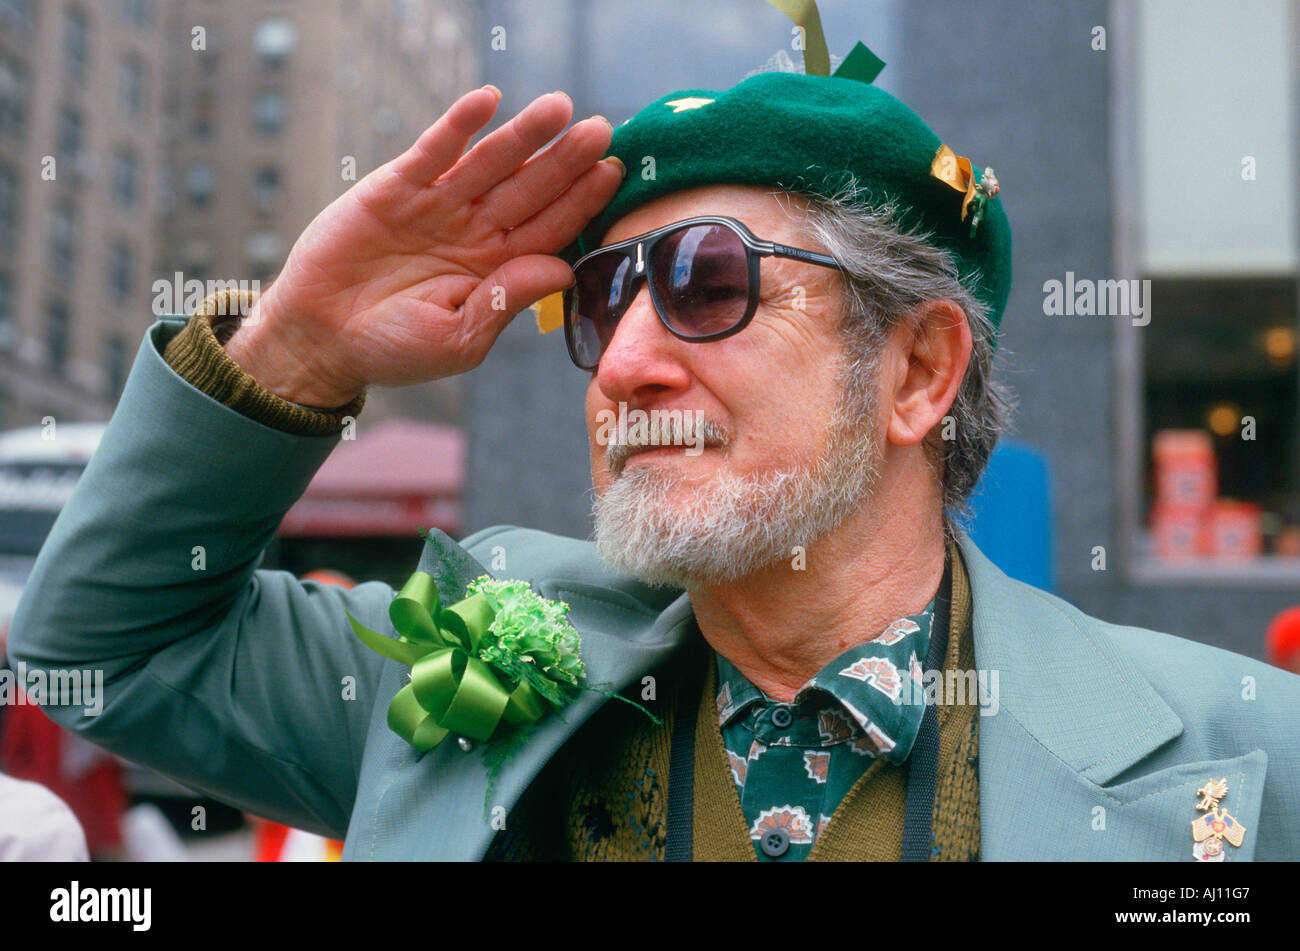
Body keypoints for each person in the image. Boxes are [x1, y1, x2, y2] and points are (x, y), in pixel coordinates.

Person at [9, 47, 1300, 862]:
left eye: (705, 282)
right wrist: (295, 348)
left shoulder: (1247, 755)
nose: (623, 362)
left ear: (916, 373)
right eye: (601, 295)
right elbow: (97, 663)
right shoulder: (469, 665)